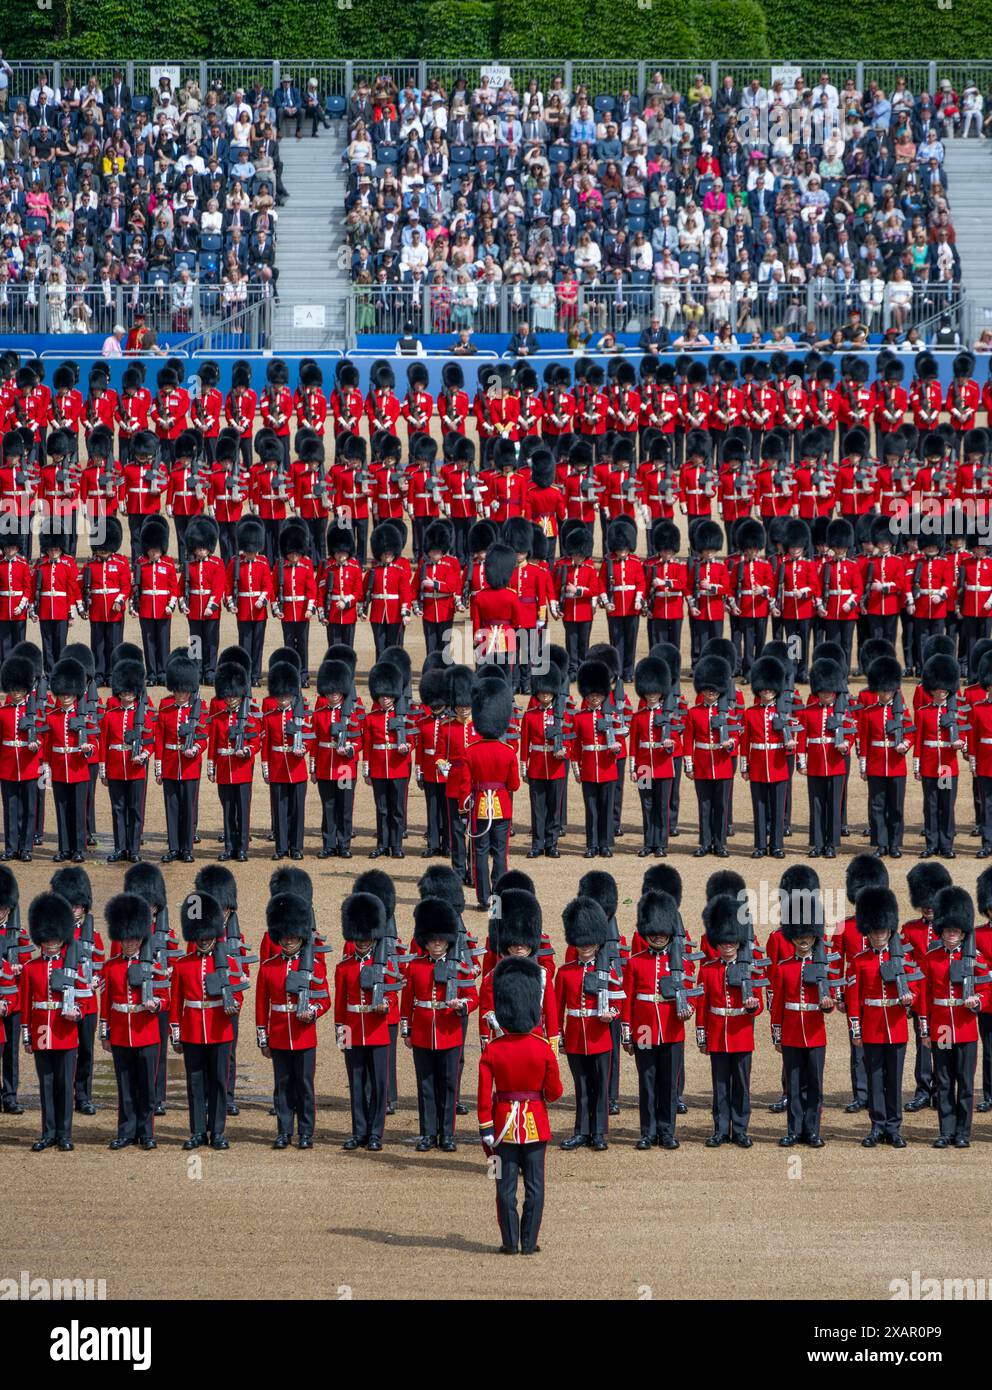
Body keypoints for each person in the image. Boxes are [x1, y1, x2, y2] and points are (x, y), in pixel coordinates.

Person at [478, 956, 562, 1254]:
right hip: (535, 1126)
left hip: (502, 1128)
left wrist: (486, 1128)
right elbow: (554, 1093)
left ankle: (509, 1243)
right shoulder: (542, 1049)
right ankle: (529, 1243)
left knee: (504, 1187)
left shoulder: (493, 1050)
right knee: (535, 1188)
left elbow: (483, 1094)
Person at [170, 889, 245, 1151]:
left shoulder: (227, 962)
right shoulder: (183, 964)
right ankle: (198, 1132)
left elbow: (237, 994)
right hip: (192, 1031)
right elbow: (175, 1002)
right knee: (195, 1083)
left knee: (219, 1082)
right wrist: (176, 1035)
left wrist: (234, 1006)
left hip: (219, 1029)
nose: (203, 941)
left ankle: (218, 1131)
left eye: (207, 935)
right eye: (199, 936)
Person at [402, 895, 479, 1151]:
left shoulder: (459, 966)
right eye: (432, 939)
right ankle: (427, 1134)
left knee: (447, 1085)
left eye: (441, 939)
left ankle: (446, 1134)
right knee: (425, 1086)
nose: (436, 943)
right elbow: (407, 1001)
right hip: (423, 1032)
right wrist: (407, 1031)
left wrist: (462, 1006)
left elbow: (473, 997)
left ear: (448, 940)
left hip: (450, 1031)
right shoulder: (415, 966)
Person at [257, 890, 329, 1150]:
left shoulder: (314, 966)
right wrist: (263, 1038)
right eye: (284, 936)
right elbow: (260, 1005)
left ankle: (306, 1132)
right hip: (278, 1034)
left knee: (305, 1086)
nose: (288, 941)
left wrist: (312, 1012)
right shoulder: (269, 966)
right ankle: (284, 1131)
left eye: (293, 936)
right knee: (282, 1086)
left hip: (303, 1034)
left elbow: (325, 1000)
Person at [920, 885, 989, 1148]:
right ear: (942, 930)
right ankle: (946, 1131)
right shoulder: (932, 958)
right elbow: (924, 995)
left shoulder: (975, 958)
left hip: (965, 1027)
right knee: (945, 1081)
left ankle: (963, 1132)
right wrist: (925, 1029)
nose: (951, 935)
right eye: (948, 930)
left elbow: (986, 989)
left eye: (956, 931)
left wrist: (977, 1001)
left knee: (966, 1083)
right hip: (942, 1029)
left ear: (963, 932)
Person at [622, 889, 691, 1149]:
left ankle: (667, 1131)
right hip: (643, 1028)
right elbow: (627, 999)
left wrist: (689, 1008)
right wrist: (627, 1032)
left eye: (663, 932)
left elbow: (690, 993)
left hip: (672, 1029)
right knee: (647, 1081)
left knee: (668, 1083)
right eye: (654, 932)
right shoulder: (635, 962)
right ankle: (647, 1132)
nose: (659, 936)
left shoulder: (681, 963)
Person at [846, 884, 913, 1148]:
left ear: (890, 930)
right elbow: (854, 999)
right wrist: (856, 1029)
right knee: (874, 1079)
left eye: (883, 931)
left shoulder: (903, 957)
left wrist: (911, 998)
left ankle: (894, 1127)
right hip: (872, 1026)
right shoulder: (860, 960)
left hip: (895, 1025)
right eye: (874, 931)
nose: (879, 936)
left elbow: (915, 986)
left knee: (893, 1080)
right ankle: (877, 1125)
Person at [696, 892, 763, 1147]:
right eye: (723, 941)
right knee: (720, 1086)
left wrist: (751, 1007)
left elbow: (759, 1004)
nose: (727, 945)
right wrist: (702, 1037)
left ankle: (741, 1129)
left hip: (741, 1033)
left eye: (732, 941)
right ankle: (721, 1129)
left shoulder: (749, 967)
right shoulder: (708, 969)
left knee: (742, 1086)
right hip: (717, 1033)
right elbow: (703, 1006)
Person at [99, 892, 165, 1151]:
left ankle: (146, 1132)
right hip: (121, 1034)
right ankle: (126, 1131)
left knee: (147, 1087)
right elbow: (106, 1003)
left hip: (146, 1032)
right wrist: (105, 1033)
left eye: (133, 938)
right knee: (125, 1087)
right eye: (125, 938)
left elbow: (165, 997)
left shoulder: (153, 964)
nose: (129, 943)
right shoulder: (111, 966)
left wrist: (156, 1004)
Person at [555, 895, 621, 1151]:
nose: (585, 947)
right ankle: (581, 1131)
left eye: (590, 943)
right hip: (574, 1036)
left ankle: (599, 1132)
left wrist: (611, 1014)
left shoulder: (607, 971)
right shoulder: (565, 972)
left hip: (599, 1036)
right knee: (581, 1087)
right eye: (581, 943)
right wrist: (559, 1036)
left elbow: (619, 1002)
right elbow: (558, 1007)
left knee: (600, 1087)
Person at [334, 890, 397, 1152]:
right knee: (357, 1083)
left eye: (366, 938)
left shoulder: (385, 965)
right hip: (352, 1030)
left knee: (379, 1085)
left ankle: (375, 1133)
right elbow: (340, 1005)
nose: (362, 943)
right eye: (358, 938)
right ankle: (359, 1131)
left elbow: (393, 996)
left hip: (377, 1030)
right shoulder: (344, 967)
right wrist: (341, 1034)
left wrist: (386, 1006)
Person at [19, 891, 81, 1151]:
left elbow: (85, 998)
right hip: (42, 1029)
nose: (52, 943)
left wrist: (76, 1012)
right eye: (47, 939)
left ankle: (64, 1134)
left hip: (65, 1028)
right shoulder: (32, 968)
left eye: (56, 938)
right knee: (46, 1085)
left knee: (65, 1084)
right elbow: (24, 1004)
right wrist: (27, 1034)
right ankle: (48, 1132)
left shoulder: (71, 965)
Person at [771, 889, 832, 1148]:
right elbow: (777, 1006)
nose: (803, 939)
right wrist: (777, 1035)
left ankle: (812, 1130)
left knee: (815, 1085)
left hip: (815, 1032)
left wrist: (829, 1005)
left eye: (807, 934)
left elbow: (832, 999)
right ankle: (794, 1130)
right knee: (794, 1085)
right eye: (798, 935)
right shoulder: (784, 967)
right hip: (792, 1032)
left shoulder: (824, 966)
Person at [100, 658, 153, 863]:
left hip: (135, 768)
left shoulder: (143, 716)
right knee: (118, 809)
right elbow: (104, 743)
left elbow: (151, 741)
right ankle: (120, 848)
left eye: (130, 691)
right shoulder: (109, 716)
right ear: (119, 692)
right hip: (115, 768)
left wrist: (144, 755)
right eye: (124, 691)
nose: (127, 695)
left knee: (135, 809)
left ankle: (134, 849)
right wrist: (103, 771)